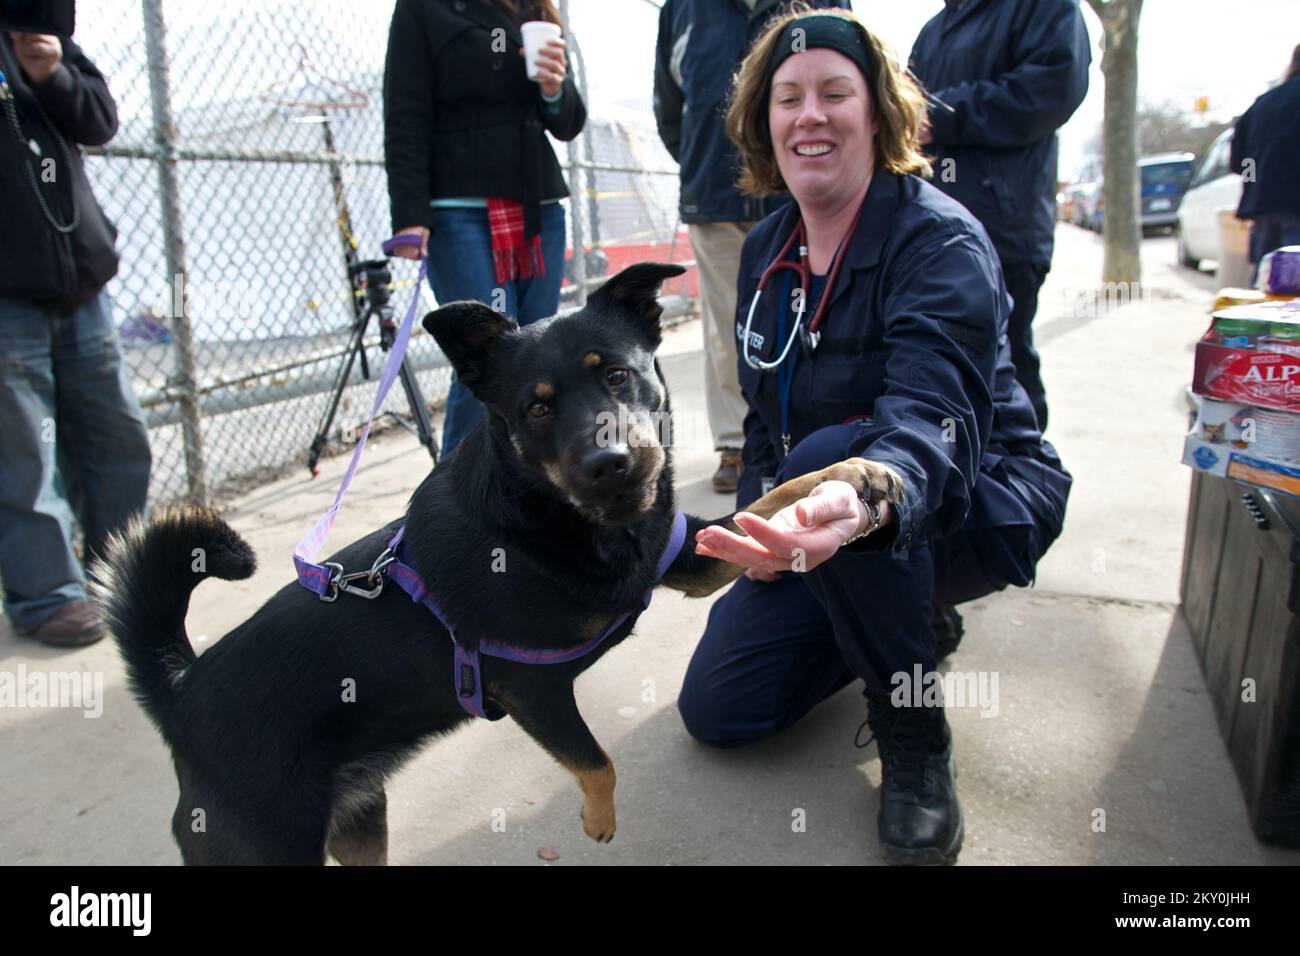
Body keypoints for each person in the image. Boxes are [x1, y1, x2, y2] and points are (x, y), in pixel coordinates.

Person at [675, 8, 1071, 865]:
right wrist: (763, 537)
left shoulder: (940, 240)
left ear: (881, 115)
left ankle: (914, 735)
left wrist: (866, 495)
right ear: (761, 121)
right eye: (786, 98)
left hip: (974, 495)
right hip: (830, 521)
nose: (808, 115)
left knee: (831, 462)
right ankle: (897, 616)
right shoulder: (768, 247)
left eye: (834, 93)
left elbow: (931, 423)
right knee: (720, 711)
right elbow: (764, 426)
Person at [654, 0, 848, 493]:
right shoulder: (683, 9)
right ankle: (736, 446)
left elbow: (844, 72)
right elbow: (669, 107)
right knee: (726, 330)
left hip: (799, 189)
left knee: (816, 315)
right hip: (715, 194)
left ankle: (814, 435)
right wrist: (706, 163)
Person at [0, 31, 152, 646]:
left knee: (118, 435)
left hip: (80, 277)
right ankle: (48, 597)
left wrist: (51, 71)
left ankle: (118, 573)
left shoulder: (35, 26)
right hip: (7, 293)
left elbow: (99, 120)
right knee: (23, 456)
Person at [383, 0, 586, 457]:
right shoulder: (423, 10)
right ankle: (453, 504)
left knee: (540, 361)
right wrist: (411, 215)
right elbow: (405, 113)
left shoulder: (537, 10)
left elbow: (568, 122)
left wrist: (554, 88)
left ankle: (533, 492)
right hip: (459, 211)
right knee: (489, 359)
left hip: (538, 207)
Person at [909, 0, 1090, 434]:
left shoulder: (1043, 8)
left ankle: (1027, 483)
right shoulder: (936, 28)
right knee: (941, 369)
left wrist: (942, 114)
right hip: (929, 231)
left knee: (1004, 370)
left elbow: (1053, 89)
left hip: (1004, 227)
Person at [1230, 45, 1300, 269]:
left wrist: (1254, 185)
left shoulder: (1262, 103)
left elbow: (1242, 160)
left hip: (1262, 206)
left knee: (1266, 280)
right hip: (1293, 205)